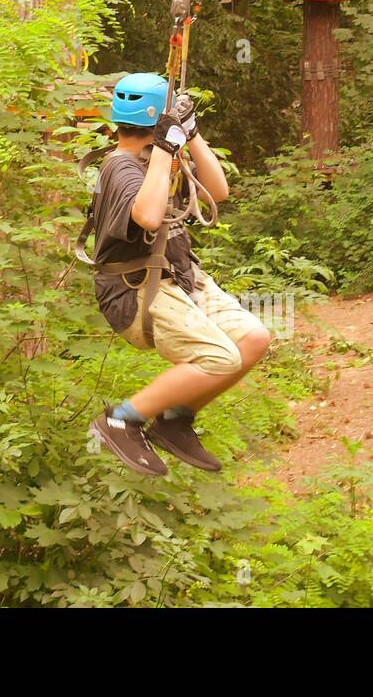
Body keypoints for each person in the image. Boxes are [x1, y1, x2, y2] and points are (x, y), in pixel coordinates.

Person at [88, 72, 272, 477]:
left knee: (254, 339)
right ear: (154, 123)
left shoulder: (161, 158)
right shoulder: (120, 168)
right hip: (135, 291)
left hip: (179, 279)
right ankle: (120, 419)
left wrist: (190, 134)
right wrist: (164, 149)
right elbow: (148, 215)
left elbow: (218, 191)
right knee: (219, 358)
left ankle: (173, 419)